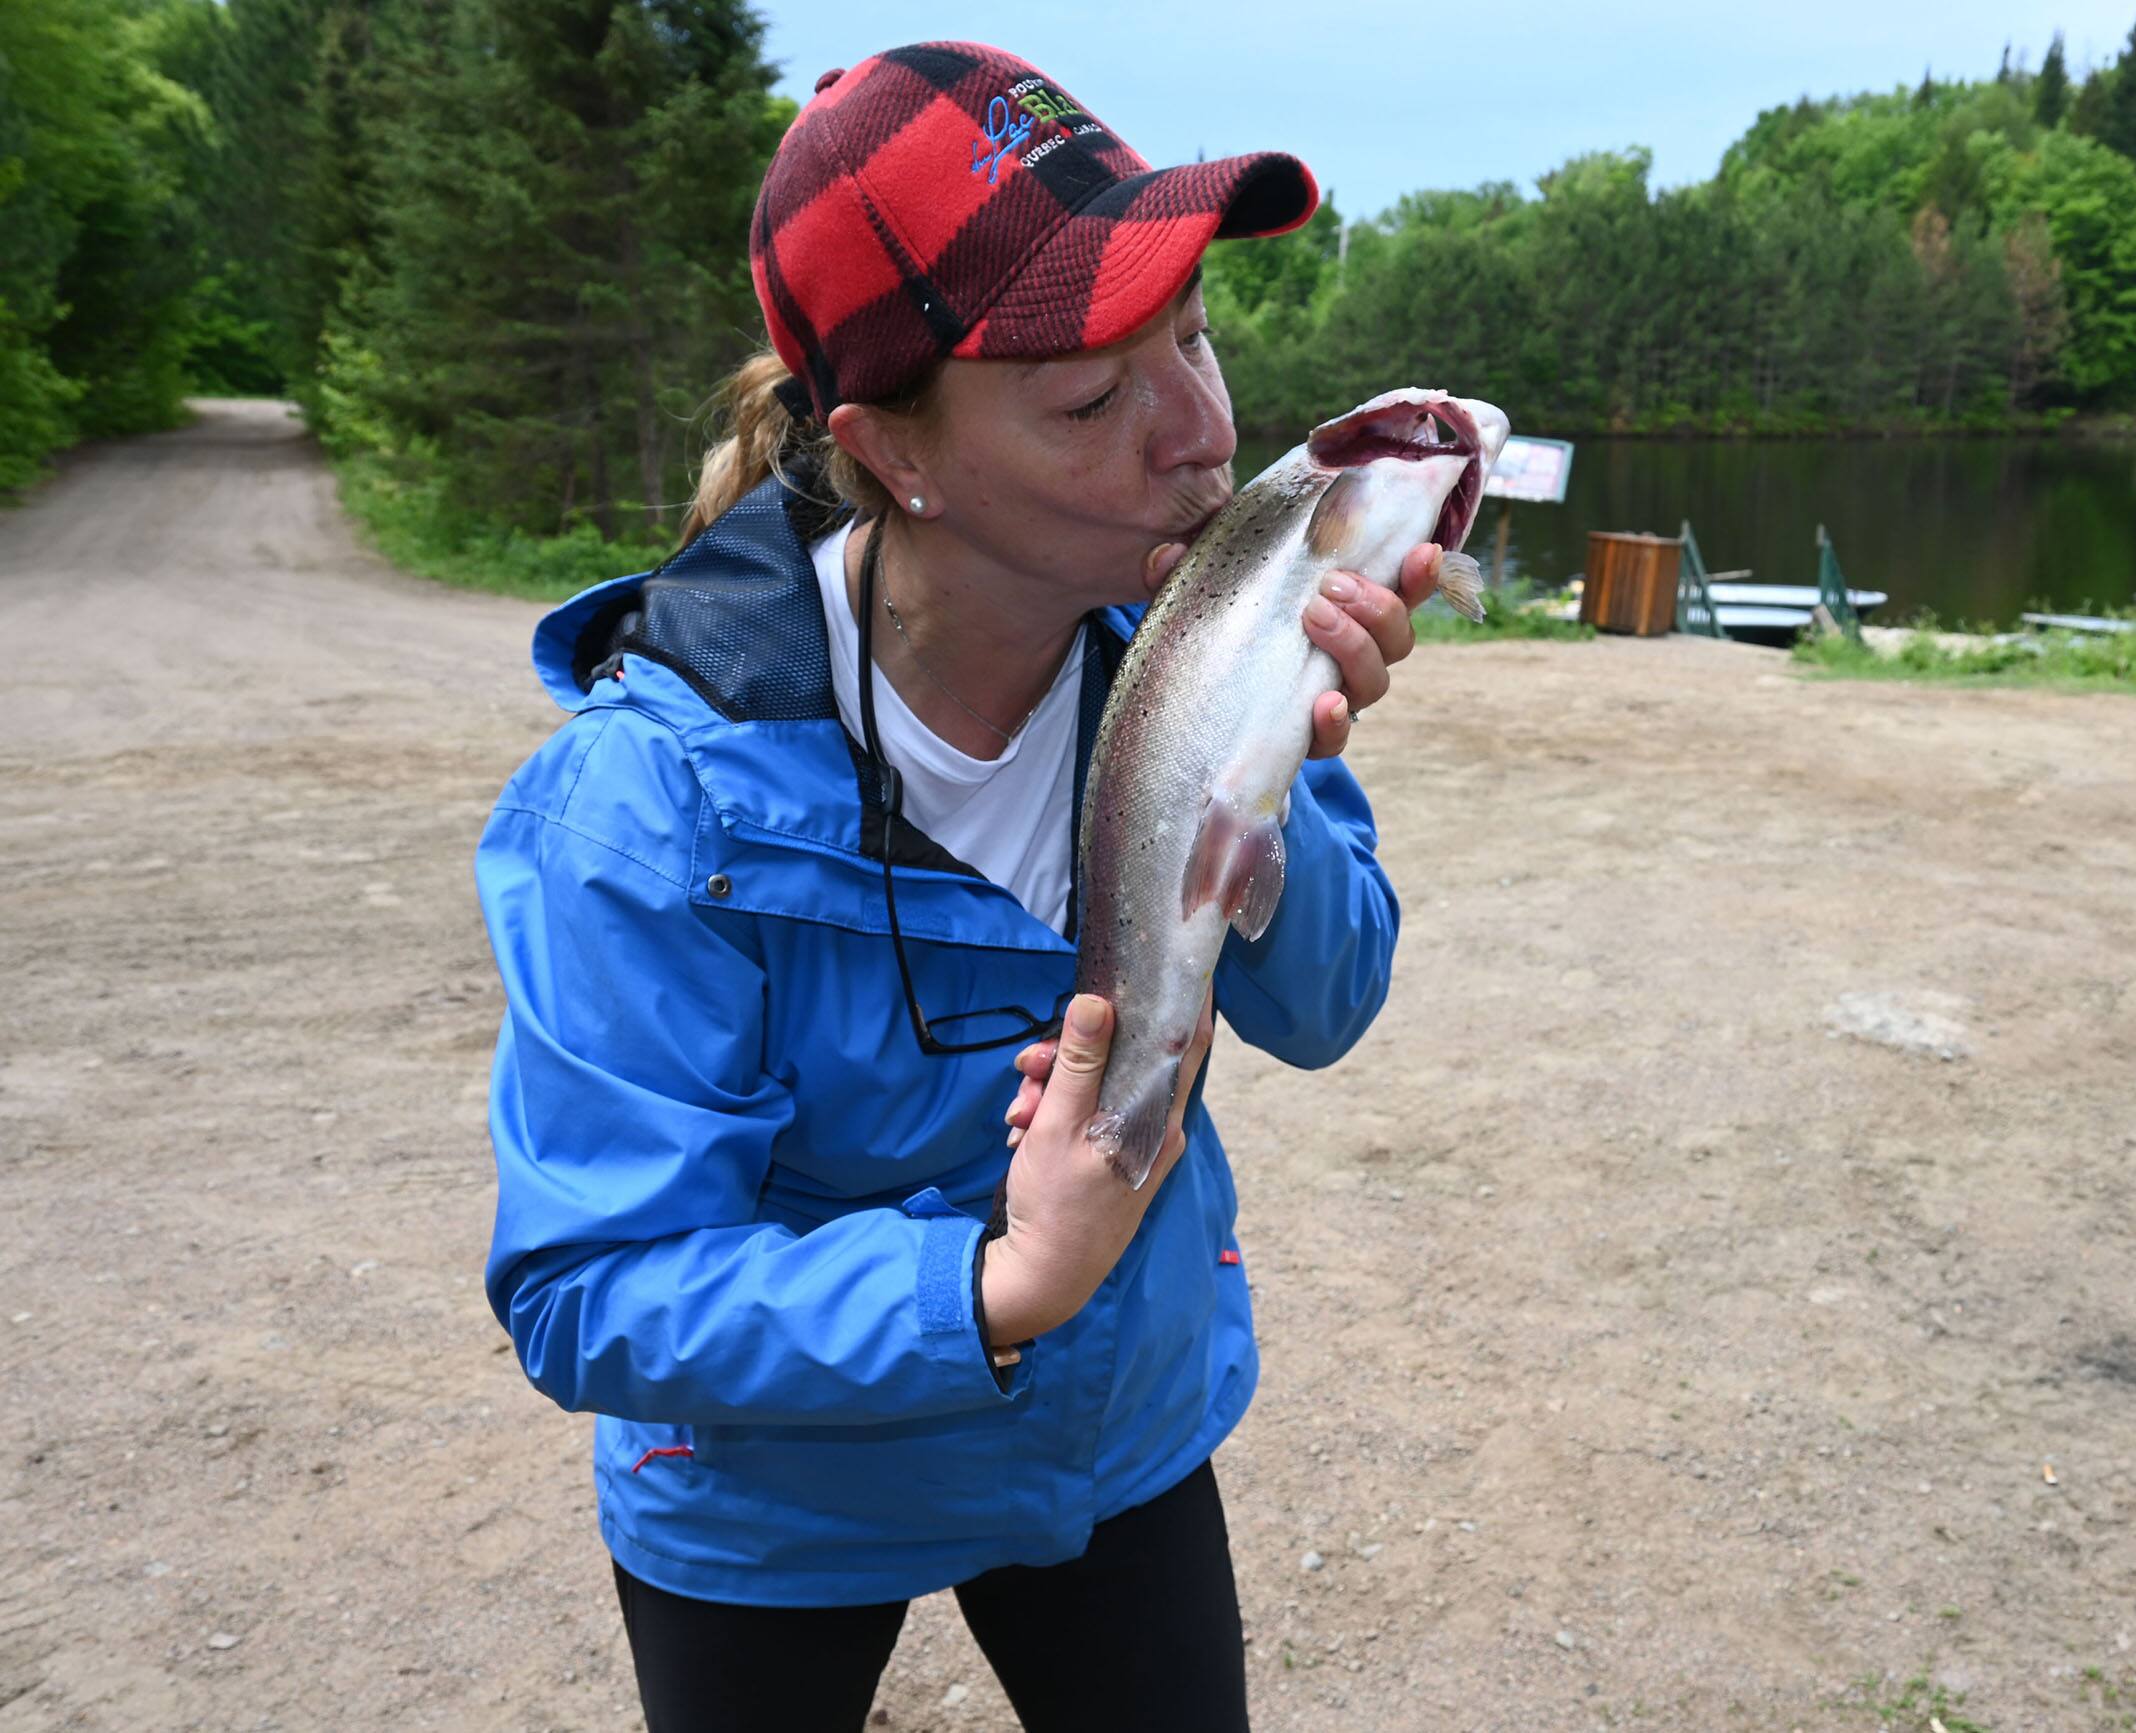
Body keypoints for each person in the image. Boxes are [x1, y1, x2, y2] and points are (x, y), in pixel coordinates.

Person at [474, 42, 1443, 1733]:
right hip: (772, 1498)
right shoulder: (649, 797)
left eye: (1196, 334)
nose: (1205, 435)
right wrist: (995, 1284)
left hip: (1106, 1433)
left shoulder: (1190, 651)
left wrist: (1264, 785)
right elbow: (589, 1288)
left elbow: (1332, 1006)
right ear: (890, 451)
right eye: (1091, 396)